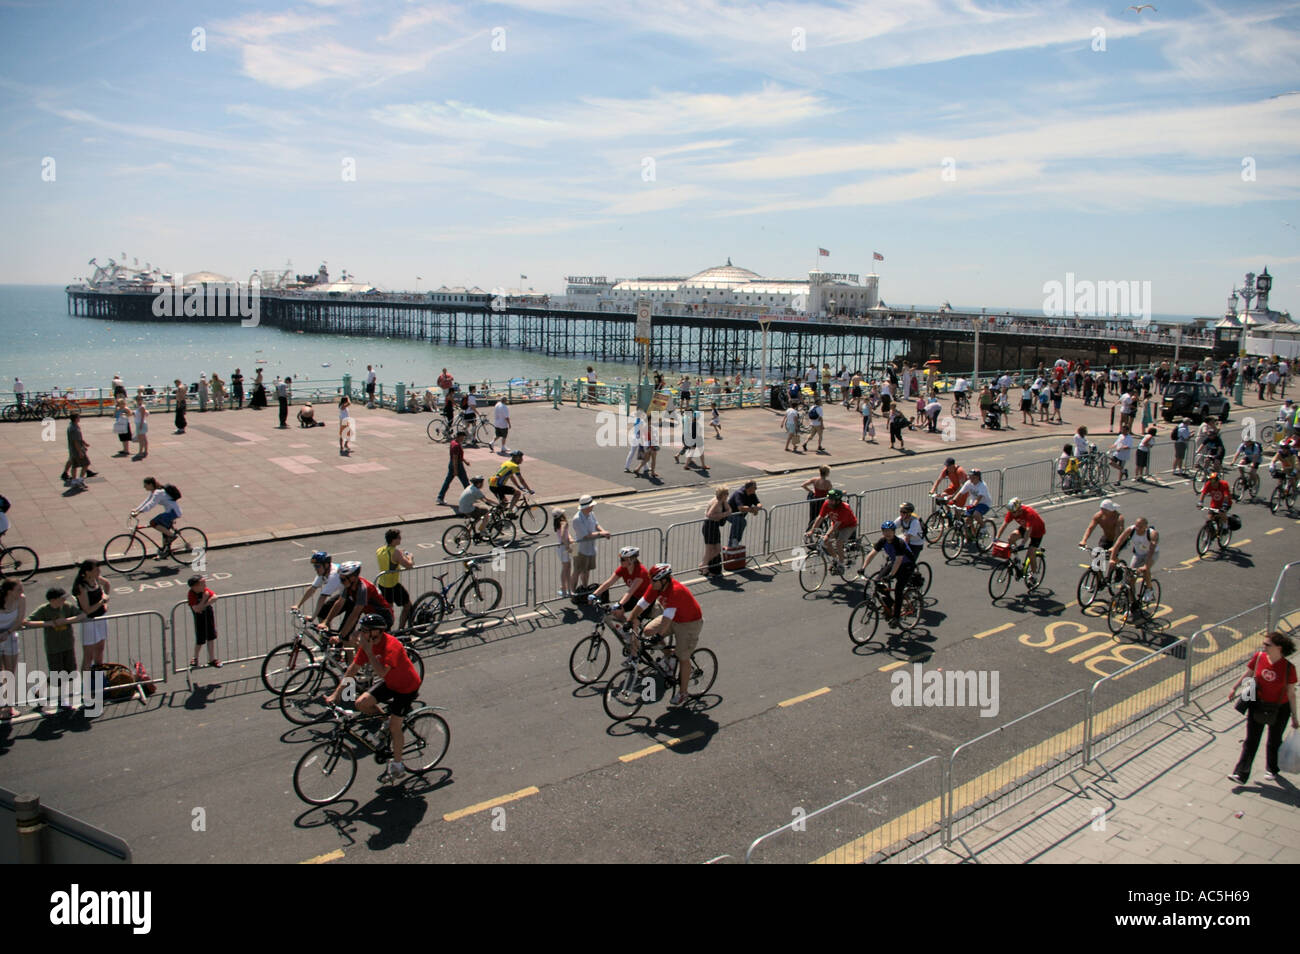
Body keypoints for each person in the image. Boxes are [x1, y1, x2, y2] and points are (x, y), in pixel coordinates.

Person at [323, 614, 423, 782]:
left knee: (395, 727)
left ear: (377, 632)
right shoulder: (369, 645)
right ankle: (385, 720)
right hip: (391, 683)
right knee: (361, 703)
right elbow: (353, 669)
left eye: (365, 631)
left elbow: (381, 672)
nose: (361, 634)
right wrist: (336, 694)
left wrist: (368, 651)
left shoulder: (391, 645)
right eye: (361, 630)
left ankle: (398, 764)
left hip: (406, 687)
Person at [623, 564, 702, 707]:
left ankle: (683, 692)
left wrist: (659, 636)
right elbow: (643, 603)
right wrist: (629, 620)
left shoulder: (675, 591)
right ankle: (669, 656)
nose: (651, 583)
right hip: (674, 618)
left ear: (664, 580)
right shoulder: (656, 586)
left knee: (683, 657)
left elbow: (667, 617)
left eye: (654, 581)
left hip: (689, 623)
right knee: (647, 631)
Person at [1227, 632, 1298, 784]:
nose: (1263, 646)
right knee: (1251, 740)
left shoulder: (1288, 668)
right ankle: (1241, 773)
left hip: (1280, 708)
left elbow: (1291, 694)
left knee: (1274, 740)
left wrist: (1294, 717)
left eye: (1267, 645)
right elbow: (1249, 674)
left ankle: (1272, 769)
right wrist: (1234, 688)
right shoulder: (1259, 657)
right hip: (1258, 704)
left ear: (1279, 648)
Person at [24, 587, 86, 713]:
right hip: (54, 648)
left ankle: (38, 691)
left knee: (69, 672)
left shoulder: (67, 607)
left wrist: (66, 620)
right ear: (53, 600)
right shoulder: (44, 610)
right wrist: (49, 623)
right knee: (57, 675)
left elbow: (82, 615)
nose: (64, 600)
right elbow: (27, 622)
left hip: (67, 645)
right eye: (61, 598)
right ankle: (62, 700)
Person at [857, 521, 914, 630]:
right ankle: (890, 604)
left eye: (890, 531)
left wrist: (891, 575)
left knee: (898, 590)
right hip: (894, 562)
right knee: (877, 581)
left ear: (894, 532)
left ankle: (897, 617)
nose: (887, 534)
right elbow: (872, 553)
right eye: (885, 531)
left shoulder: (899, 543)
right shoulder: (883, 541)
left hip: (906, 565)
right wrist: (863, 568)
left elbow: (899, 560)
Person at [321, 562, 393, 645]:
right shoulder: (349, 586)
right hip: (372, 618)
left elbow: (355, 615)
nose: (341, 582)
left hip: (383, 617)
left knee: (357, 639)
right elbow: (339, 603)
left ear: (353, 577)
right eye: (340, 579)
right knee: (352, 639)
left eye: (343, 579)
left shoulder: (363, 589)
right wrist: (326, 622)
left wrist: (340, 636)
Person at [589, 545, 652, 626]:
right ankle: (628, 630)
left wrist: (620, 603)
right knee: (615, 613)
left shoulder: (641, 572)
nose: (620, 561)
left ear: (631, 560)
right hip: (635, 596)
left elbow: (630, 591)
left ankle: (634, 635)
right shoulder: (623, 569)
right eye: (620, 559)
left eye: (622, 559)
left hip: (646, 599)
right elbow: (609, 582)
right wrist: (594, 594)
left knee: (634, 621)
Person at [71, 560, 110, 688]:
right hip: (89, 622)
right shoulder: (81, 587)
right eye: (96, 570)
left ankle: (99, 681)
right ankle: (87, 685)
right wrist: (102, 602)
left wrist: (105, 599)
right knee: (88, 655)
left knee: (100, 650)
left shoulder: (96, 579)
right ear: (87, 572)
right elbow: (87, 609)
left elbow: (107, 584)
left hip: (101, 618)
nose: (99, 572)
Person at [807, 487, 858, 572]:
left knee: (839, 543)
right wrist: (812, 530)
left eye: (832, 500)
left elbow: (837, 525)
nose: (829, 501)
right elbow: (820, 517)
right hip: (835, 524)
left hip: (848, 526)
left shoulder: (844, 508)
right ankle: (836, 558)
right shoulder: (827, 504)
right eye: (829, 499)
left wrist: (827, 535)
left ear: (837, 501)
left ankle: (841, 563)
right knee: (826, 542)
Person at [1109, 516, 1158, 597]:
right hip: (1138, 554)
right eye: (1136, 526)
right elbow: (1119, 542)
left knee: (1146, 570)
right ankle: (1132, 601)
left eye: (1140, 527)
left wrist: (1146, 565)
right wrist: (1112, 558)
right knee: (1130, 577)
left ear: (1146, 527)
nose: (1137, 529)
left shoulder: (1152, 534)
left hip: (1151, 554)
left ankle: (1149, 590)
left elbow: (1151, 550)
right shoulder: (1131, 530)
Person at [376, 529, 414, 632]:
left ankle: (386, 632)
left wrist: (399, 554)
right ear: (394, 540)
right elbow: (409, 565)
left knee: (389, 611)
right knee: (407, 606)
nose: (401, 539)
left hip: (382, 584)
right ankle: (401, 630)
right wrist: (410, 557)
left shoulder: (380, 550)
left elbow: (391, 559)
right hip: (392, 585)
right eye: (399, 537)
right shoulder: (396, 552)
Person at [133, 477, 182, 556]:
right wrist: (136, 509)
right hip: (170, 511)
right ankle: (164, 552)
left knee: (153, 523)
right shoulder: (154, 492)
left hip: (173, 512)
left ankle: (172, 536)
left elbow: (151, 504)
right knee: (163, 530)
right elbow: (146, 501)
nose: (144, 487)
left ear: (150, 485)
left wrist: (139, 512)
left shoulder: (158, 493)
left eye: (145, 485)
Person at [570, 495, 609, 592]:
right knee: (577, 570)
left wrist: (604, 531)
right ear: (587, 507)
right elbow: (586, 535)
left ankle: (584, 588)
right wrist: (601, 533)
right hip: (578, 547)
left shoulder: (591, 513)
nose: (593, 507)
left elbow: (596, 524)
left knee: (587, 570)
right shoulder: (577, 519)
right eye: (591, 505)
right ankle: (572, 592)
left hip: (589, 547)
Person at [291, 551, 344, 621]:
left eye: (317, 566)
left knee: (345, 630)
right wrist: (298, 605)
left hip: (354, 598)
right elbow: (312, 589)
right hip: (344, 595)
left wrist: (313, 617)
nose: (315, 569)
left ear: (326, 565)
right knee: (322, 614)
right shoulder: (324, 572)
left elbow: (322, 597)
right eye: (314, 566)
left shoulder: (334, 574)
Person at [0, 579, 26, 719]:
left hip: (9, 637)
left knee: (9, 673)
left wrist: (8, 633)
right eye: (18, 589)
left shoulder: (21, 599)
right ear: (9, 591)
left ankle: (9, 706)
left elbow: (19, 620)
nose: (21, 591)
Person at [185, 575, 221, 668]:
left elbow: (215, 597)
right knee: (200, 640)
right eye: (202, 583)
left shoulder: (205, 590)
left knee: (211, 637)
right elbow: (196, 609)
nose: (205, 585)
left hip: (208, 616)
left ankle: (212, 659)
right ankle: (195, 658)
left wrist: (203, 605)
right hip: (199, 619)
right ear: (195, 586)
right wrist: (205, 599)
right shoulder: (192, 594)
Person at [700, 486, 732, 575]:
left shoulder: (723, 501)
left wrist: (726, 511)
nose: (728, 495)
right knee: (709, 549)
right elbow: (709, 515)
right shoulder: (717, 502)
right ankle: (704, 568)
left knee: (717, 549)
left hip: (715, 526)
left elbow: (729, 509)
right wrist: (724, 514)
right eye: (727, 494)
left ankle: (703, 564)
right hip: (709, 525)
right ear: (723, 495)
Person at [436, 430, 470, 506]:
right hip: (457, 465)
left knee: (448, 481)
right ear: (459, 436)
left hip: (453, 464)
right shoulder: (456, 445)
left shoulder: (453, 442)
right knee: (465, 481)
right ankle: (470, 497)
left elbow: (458, 456)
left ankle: (440, 497)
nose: (463, 439)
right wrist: (455, 470)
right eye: (463, 437)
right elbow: (455, 458)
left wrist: (465, 461)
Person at [957, 468, 994, 535]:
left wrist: (973, 505)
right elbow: (960, 493)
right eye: (969, 476)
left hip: (984, 503)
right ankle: (972, 535)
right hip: (973, 503)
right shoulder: (968, 483)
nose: (969, 478)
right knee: (968, 520)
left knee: (976, 514)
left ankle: (984, 527)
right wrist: (953, 501)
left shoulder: (982, 485)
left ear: (977, 477)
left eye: (971, 476)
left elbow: (979, 498)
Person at [727, 480, 761, 547]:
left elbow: (759, 504)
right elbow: (741, 508)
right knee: (739, 520)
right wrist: (752, 509)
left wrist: (757, 508)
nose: (756, 489)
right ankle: (732, 541)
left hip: (739, 515)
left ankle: (736, 541)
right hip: (729, 514)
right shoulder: (739, 493)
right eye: (755, 487)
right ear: (749, 488)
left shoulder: (752, 494)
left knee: (742, 522)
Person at [62, 411, 93, 488]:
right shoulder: (75, 429)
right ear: (76, 419)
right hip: (77, 450)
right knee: (86, 464)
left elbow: (79, 439)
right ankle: (80, 480)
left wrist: (84, 443)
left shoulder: (72, 426)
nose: (80, 418)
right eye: (79, 417)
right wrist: (80, 452)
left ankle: (74, 481)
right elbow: (76, 441)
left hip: (72, 450)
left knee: (74, 466)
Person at [1198, 469, 1233, 536]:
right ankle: (1210, 534)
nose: (1212, 483)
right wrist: (1200, 502)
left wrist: (1224, 506)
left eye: (1214, 481)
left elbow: (1226, 496)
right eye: (1211, 480)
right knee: (1209, 518)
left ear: (1218, 481)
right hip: (1214, 504)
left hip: (1226, 503)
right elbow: (1203, 493)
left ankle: (1225, 527)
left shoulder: (1224, 484)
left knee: (1221, 513)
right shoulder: (1209, 484)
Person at [802, 465, 832, 530]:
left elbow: (803, 485)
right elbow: (830, 493)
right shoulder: (827, 483)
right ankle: (819, 530)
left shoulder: (815, 480)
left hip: (814, 500)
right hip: (822, 502)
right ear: (827, 473)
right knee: (821, 516)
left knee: (812, 517)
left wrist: (811, 491)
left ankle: (810, 529)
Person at [553, 510, 575, 598]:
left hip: (561, 547)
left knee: (567, 567)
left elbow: (566, 534)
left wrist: (570, 538)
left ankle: (567, 588)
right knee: (566, 568)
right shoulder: (563, 522)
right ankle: (564, 588)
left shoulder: (557, 523)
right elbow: (563, 535)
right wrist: (567, 546)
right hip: (564, 547)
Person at [132, 394, 149, 459]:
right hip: (139, 423)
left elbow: (142, 417)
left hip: (140, 423)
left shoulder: (142, 407)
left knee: (141, 439)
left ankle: (140, 452)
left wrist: (141, 425)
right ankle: (145, 451)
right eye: (137, 400)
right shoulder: (138, 407)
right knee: (143, 438)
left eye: (140, 400)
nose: (139, 401)